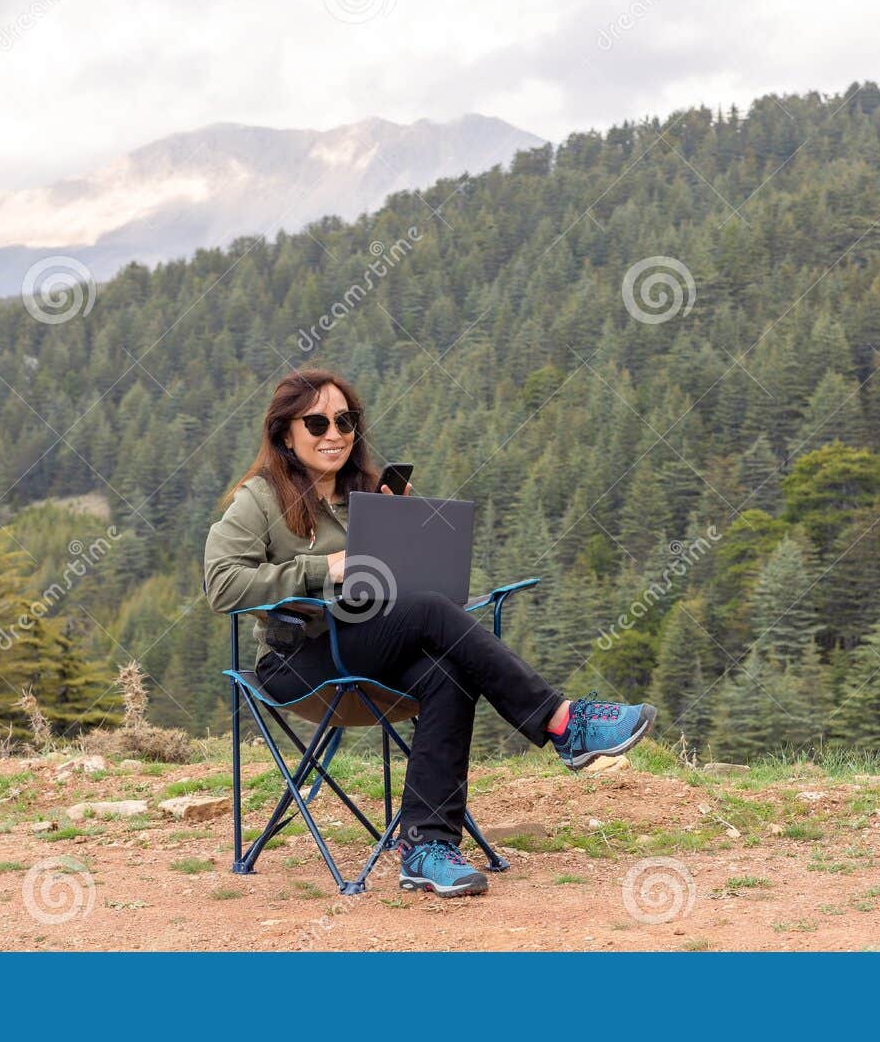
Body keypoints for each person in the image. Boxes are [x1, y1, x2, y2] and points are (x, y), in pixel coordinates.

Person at [204, 368, 657, 897]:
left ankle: (426, 846)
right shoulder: (258, 498)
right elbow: (222, 585)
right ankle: (563, 723)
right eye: (317, 422)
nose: (334, 433)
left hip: (373, 645)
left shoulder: (368, 494)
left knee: (450, 669)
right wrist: (321, 568)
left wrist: (406, 526)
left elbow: (401, 582)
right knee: (433, 613)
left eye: (345, 420)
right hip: (299, 657)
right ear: (286, 433)